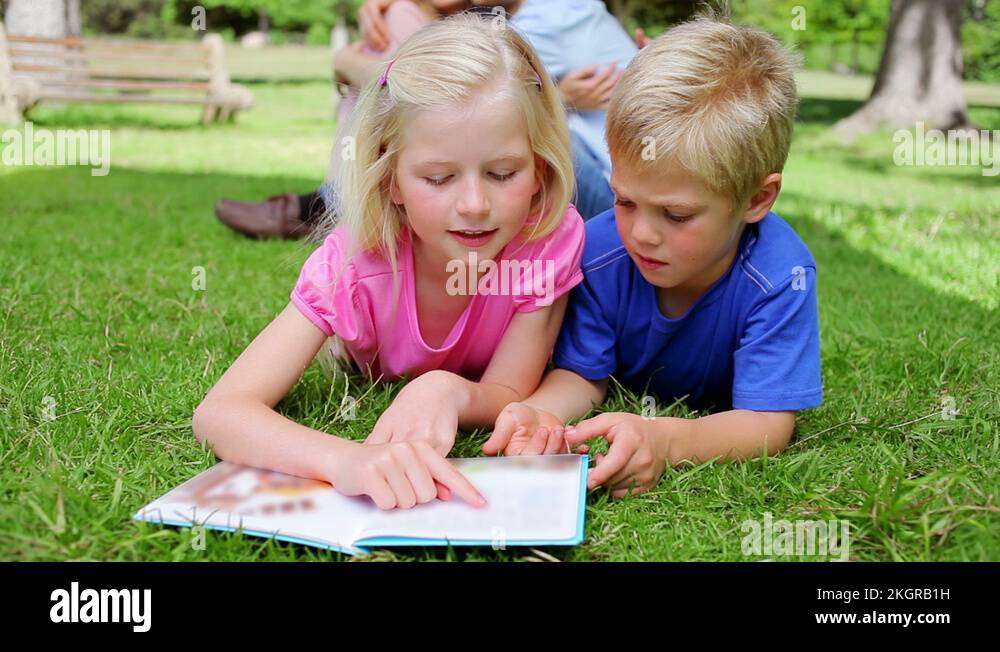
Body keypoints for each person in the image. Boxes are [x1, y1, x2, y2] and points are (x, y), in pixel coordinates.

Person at [193, 14, 585, 511]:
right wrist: (344, 461)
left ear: (539, 169)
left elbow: (508, 388)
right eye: (439, 178)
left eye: (502, 173)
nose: (473, 204)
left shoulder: (546, 239)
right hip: (364, 341)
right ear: (391, 179)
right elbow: (221, 412)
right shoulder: (351, 265)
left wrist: (446, 390)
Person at [483, 17, 824, 499]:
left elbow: (766, 421)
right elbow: (584, 374)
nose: (640, 234)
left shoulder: (779, 276)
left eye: (677, 214)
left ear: (756, 199)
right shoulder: (600, 250)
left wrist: (668, 440)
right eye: (624, 201)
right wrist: (541, 413)